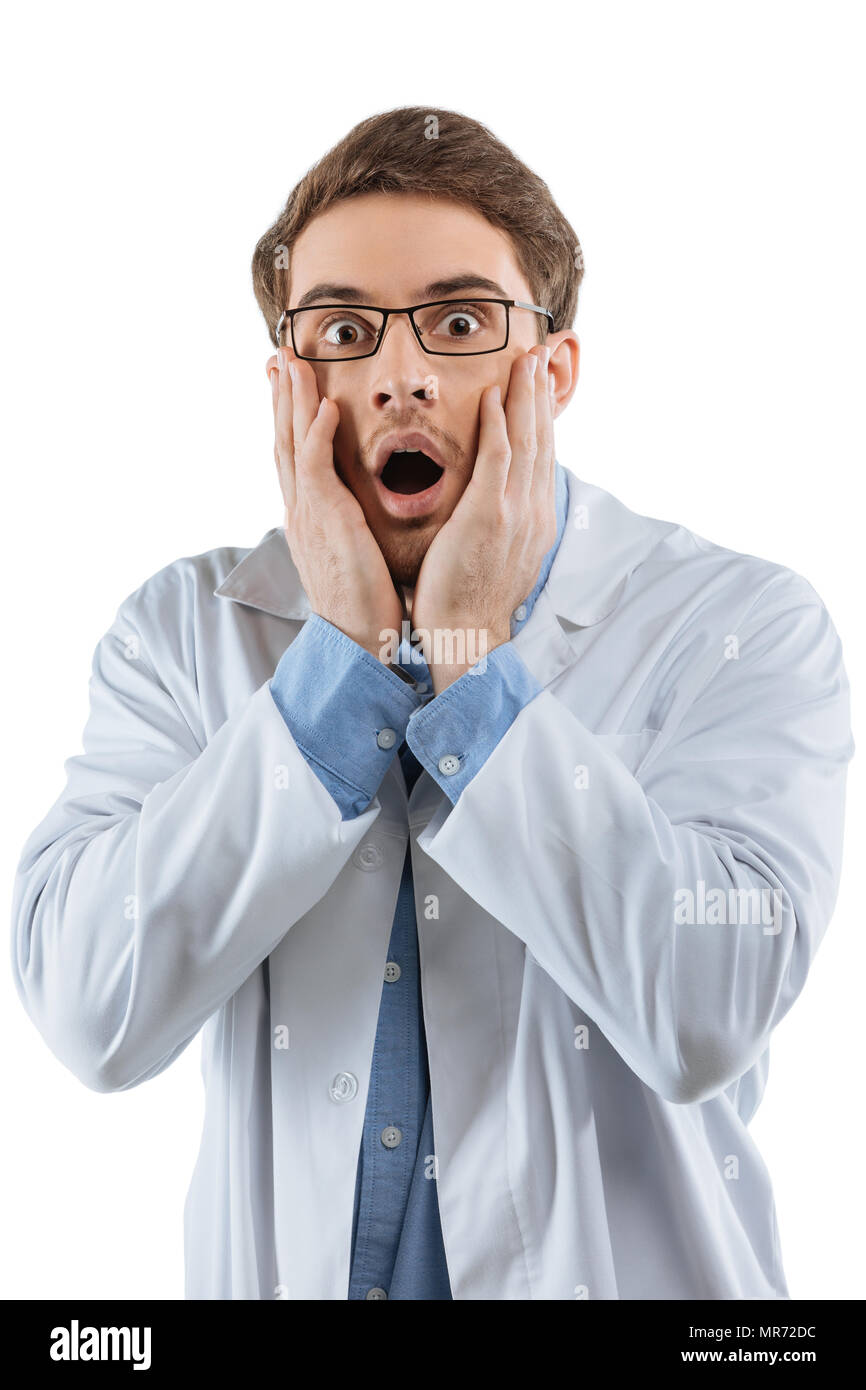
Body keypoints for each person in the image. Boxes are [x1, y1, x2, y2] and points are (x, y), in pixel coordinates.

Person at [11, 106, 854, 1301]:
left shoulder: (740, 625)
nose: (400, 373)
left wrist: (472, 668)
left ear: (550, 369)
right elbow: (90, 1010)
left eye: (458, 322)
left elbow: (701, 1010)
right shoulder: (181, 634)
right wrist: (336, 670)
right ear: (290, 385)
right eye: (345, 330)